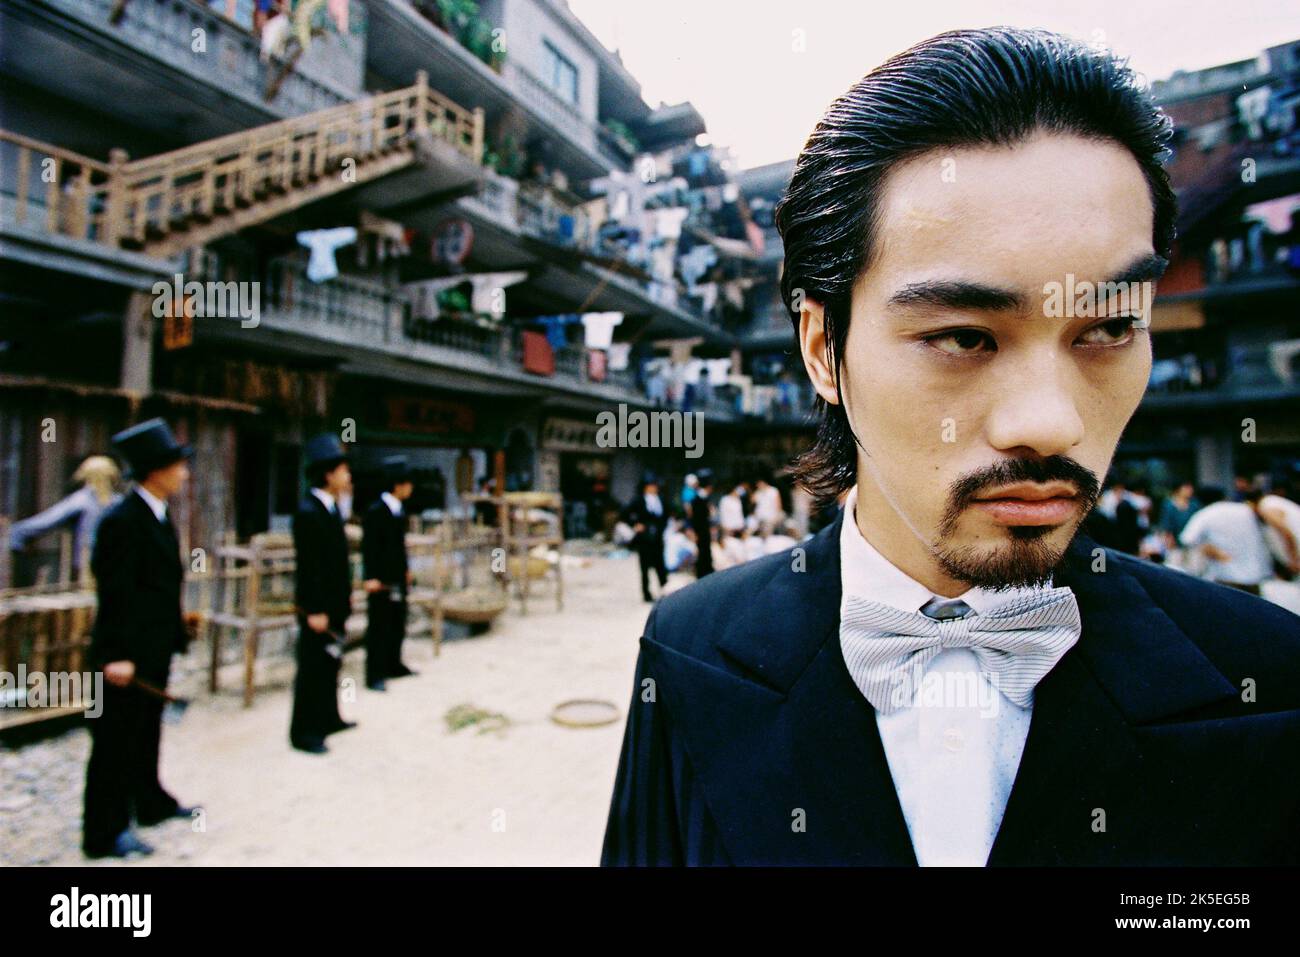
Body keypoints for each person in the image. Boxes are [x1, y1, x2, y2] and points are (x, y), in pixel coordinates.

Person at [601, 28, 1300, 867]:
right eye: (965, 335)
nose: (1050, 424)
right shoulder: (691, 648)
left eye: (1110, 327)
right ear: (824, 347)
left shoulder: (1267, 675)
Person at [83, 419, 196, 859]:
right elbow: (115, 592)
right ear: (155, 471)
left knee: (145, 729)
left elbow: (155, 584)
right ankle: (104, 832)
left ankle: (149, 801)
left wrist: (175, 622)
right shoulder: (122, 521)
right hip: (124, 655)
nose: (184, 473)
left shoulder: (158, 515)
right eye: (177, 466)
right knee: (114, 741)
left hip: (153, 645)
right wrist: (117, 653)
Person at [289, 433, 355, 755]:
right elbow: (310, 567)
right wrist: (313, 608)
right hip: (318, 608)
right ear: (328, 474)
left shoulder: (330, 509)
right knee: (313, 667)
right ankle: (304, 731)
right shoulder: (308, 511)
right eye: (343, 470)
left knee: (331, 663)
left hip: (335, 604)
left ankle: (329, 717)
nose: (348, 476)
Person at [9, 455, 121, 586]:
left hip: (89, 567)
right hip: (117, 565)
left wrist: (15, 532)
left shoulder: (82, 500)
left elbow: (46, 521)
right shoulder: (120, 502)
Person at [1179, 486, 1299, 595]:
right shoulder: (1246, 510)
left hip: (1228, 577)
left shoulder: (1204, 514)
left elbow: (1186, 539)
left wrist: (1206, 548)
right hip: (1258, 575)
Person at [362, 455, 417, 691]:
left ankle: (394, 663)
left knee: (397, 620)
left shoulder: (398, 510)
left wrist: (405, 569)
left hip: (396, 575)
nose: (411, 488)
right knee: (379, 624)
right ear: (398, 485)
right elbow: (370, 547)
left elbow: (399, 545)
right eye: (407, 483)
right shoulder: (376, 511)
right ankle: (375, 673)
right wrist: (370, 577)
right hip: (381, 578)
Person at [621, 473, 669, 602]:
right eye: (652, 485)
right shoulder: (639, 500)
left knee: (660, 565)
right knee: (645, 566)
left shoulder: (661, 499)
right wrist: (635, 525)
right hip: (644, 538)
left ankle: (665, 590)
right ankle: (646, 593)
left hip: (657, 537)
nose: (655, 487)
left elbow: (667, 515)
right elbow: (624, 514)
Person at [688, 469, 715, 578]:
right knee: (703, 555)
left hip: (704, 531)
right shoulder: (698, 499)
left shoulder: (702, 498)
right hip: (700, 532)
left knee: (706, 553)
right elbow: (695, 519)